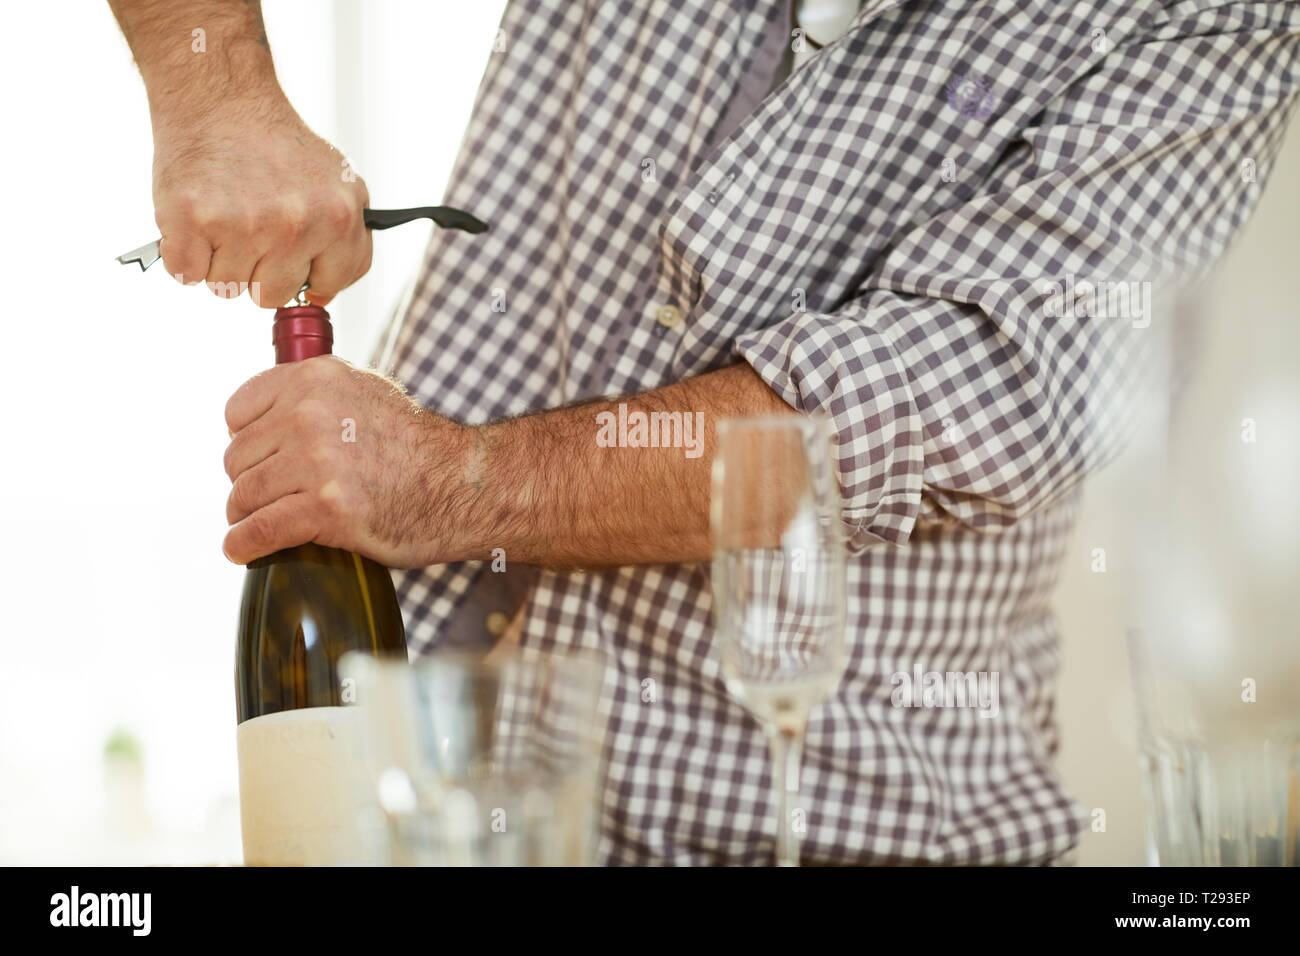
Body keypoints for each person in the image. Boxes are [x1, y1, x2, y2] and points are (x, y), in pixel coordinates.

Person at [109, 0, 1300, 864]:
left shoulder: (1206, 15)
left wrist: (451, 480)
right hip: (447, 819)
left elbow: (976, 385)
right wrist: (216, 92)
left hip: (848, 836)